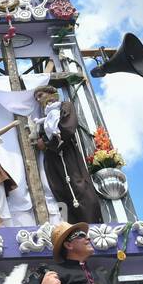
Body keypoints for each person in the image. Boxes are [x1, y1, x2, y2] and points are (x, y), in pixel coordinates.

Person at [32, 86, 102, 224]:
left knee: (78, 187)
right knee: (59, 190)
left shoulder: (65, 106)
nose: (39, 100)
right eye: (37, 98)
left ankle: (91, 224)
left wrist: (46, 142)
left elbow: (68, 127)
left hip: (67, 151)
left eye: (41, 95)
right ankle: (73, 228)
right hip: (52, 158)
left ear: (51, 93)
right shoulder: (44, 118)